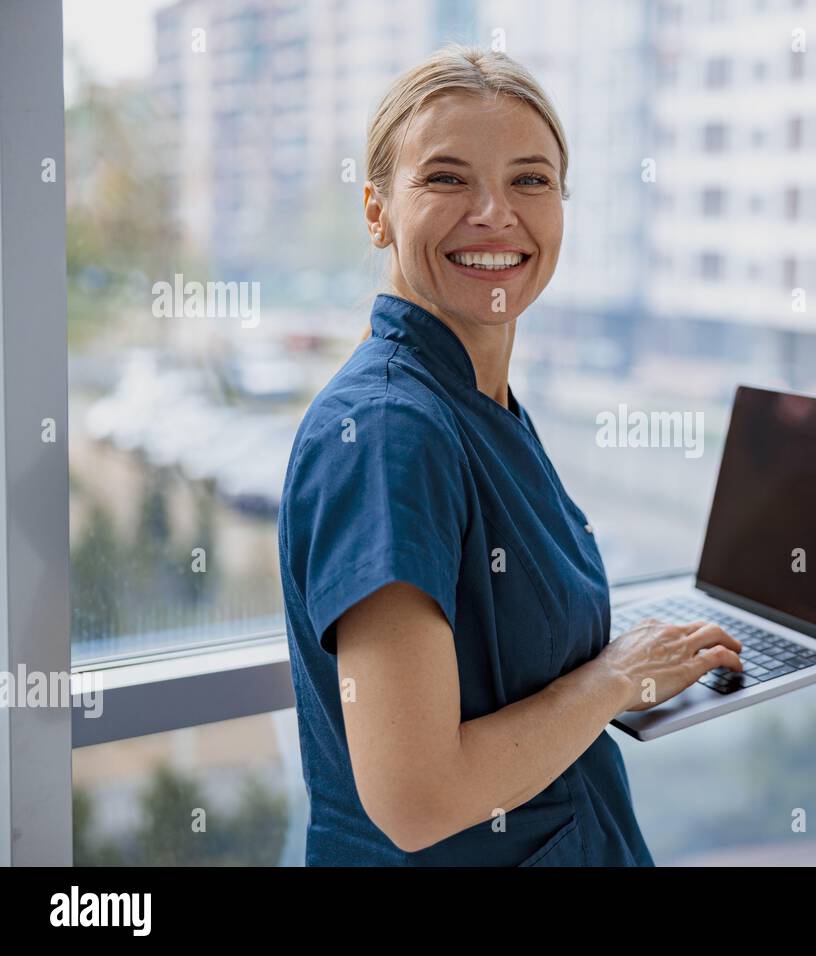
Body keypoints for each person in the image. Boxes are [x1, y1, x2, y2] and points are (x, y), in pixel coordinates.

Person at [277, 43, 743, 866]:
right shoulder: (389, 434)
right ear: (377, 210)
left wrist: (635, 661)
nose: (495, 213)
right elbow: (415, 802)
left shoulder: (477, 403)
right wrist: (613, 680)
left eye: (530, 179)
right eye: (447, 178)